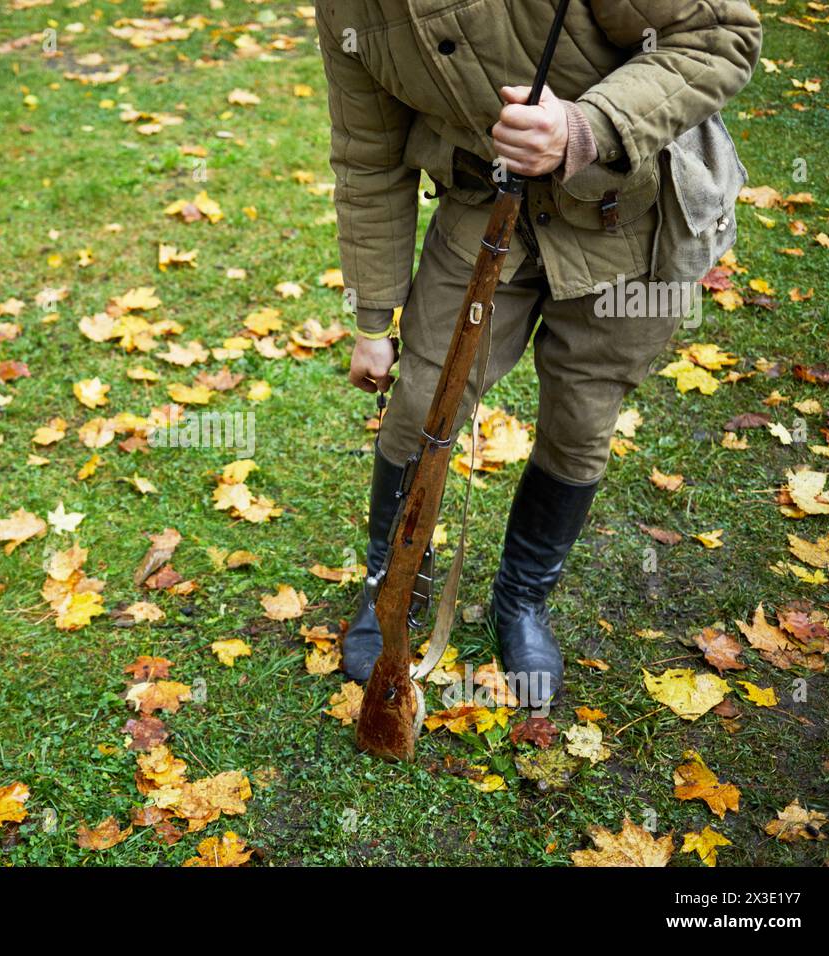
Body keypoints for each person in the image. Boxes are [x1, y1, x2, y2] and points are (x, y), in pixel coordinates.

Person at [318, 0, 762, 706]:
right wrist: (373, 317)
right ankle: (390, 588)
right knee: (418, 408)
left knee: (581, 421)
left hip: (632, 213)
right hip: (484, 208)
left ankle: (521, 599)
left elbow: (721, 35)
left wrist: (582, 128)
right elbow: (367, 156)